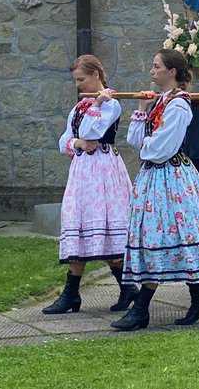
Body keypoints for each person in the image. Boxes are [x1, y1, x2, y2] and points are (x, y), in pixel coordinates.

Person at [113, 50, 199, 331]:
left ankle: (141, 308)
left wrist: (146, 144)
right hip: (155, 177)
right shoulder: (160, 102)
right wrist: (141, 111)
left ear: (172, 72)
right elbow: (134, 139)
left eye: (157, 66)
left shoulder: (178, 105)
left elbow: (161, 147)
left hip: (172, 176)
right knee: (169, 235)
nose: (152, 70)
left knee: (166, 235)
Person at [43, 56, 136, 315]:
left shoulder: (112, 104)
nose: (78, 85)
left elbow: (92, 132)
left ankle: (124, 287)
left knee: (104, 227)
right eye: (76, 80)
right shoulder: (80, 106)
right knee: (80, 225)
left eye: (82, 79)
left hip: (104, 170)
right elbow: (65, 140)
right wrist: (77, 144)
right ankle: (73, 294)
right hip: (83, 170)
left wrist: (96, 104)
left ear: (96, 74)